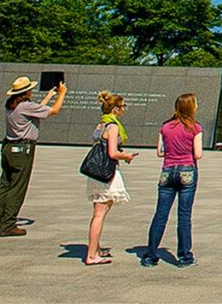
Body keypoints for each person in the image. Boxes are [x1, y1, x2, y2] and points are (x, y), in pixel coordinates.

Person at [0, 76, 67, 237]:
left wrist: (49, 96)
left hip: (8, 147)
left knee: (4, 184)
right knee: (17, 187)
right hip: (22, 150)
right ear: (26, 92)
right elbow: (53, 111)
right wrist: (62, 94)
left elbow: (36, 111)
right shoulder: (25, 106)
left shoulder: (11, 106)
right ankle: (8, 224)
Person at [142, 93, 204, 268]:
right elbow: (198, 154)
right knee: (184, 215)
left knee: (160, 214)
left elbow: (160, 152)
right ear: (191, 107)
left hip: (167, 171)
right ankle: (184, 257)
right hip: (187, 171)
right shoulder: (195, 128)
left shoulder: (165, 127)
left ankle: (150, 256)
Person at [85, 91, 137, 265]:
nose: (124, 110)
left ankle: (96, 248)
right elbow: (112, 152)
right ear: (115, 109)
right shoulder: (113, 127)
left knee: (99, 212)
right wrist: (126, 156)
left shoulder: (101, 124)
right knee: (99, 214)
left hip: (96, 171)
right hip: (106, 172)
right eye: (123, 107)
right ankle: (92, 254)